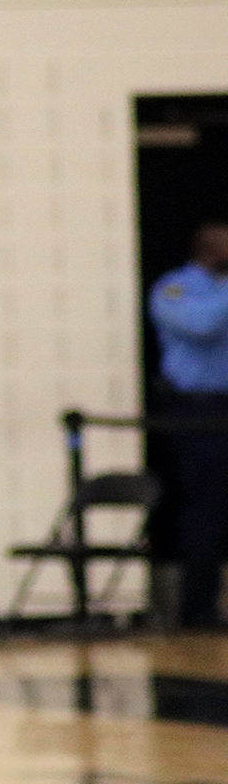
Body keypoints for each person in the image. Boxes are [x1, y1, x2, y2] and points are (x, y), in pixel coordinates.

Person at [148, 221, 228, 630]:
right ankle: (197, 608)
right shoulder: (175, 288)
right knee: (206, 508)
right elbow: (203, 327)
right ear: (208, 248)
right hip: (197, 409)